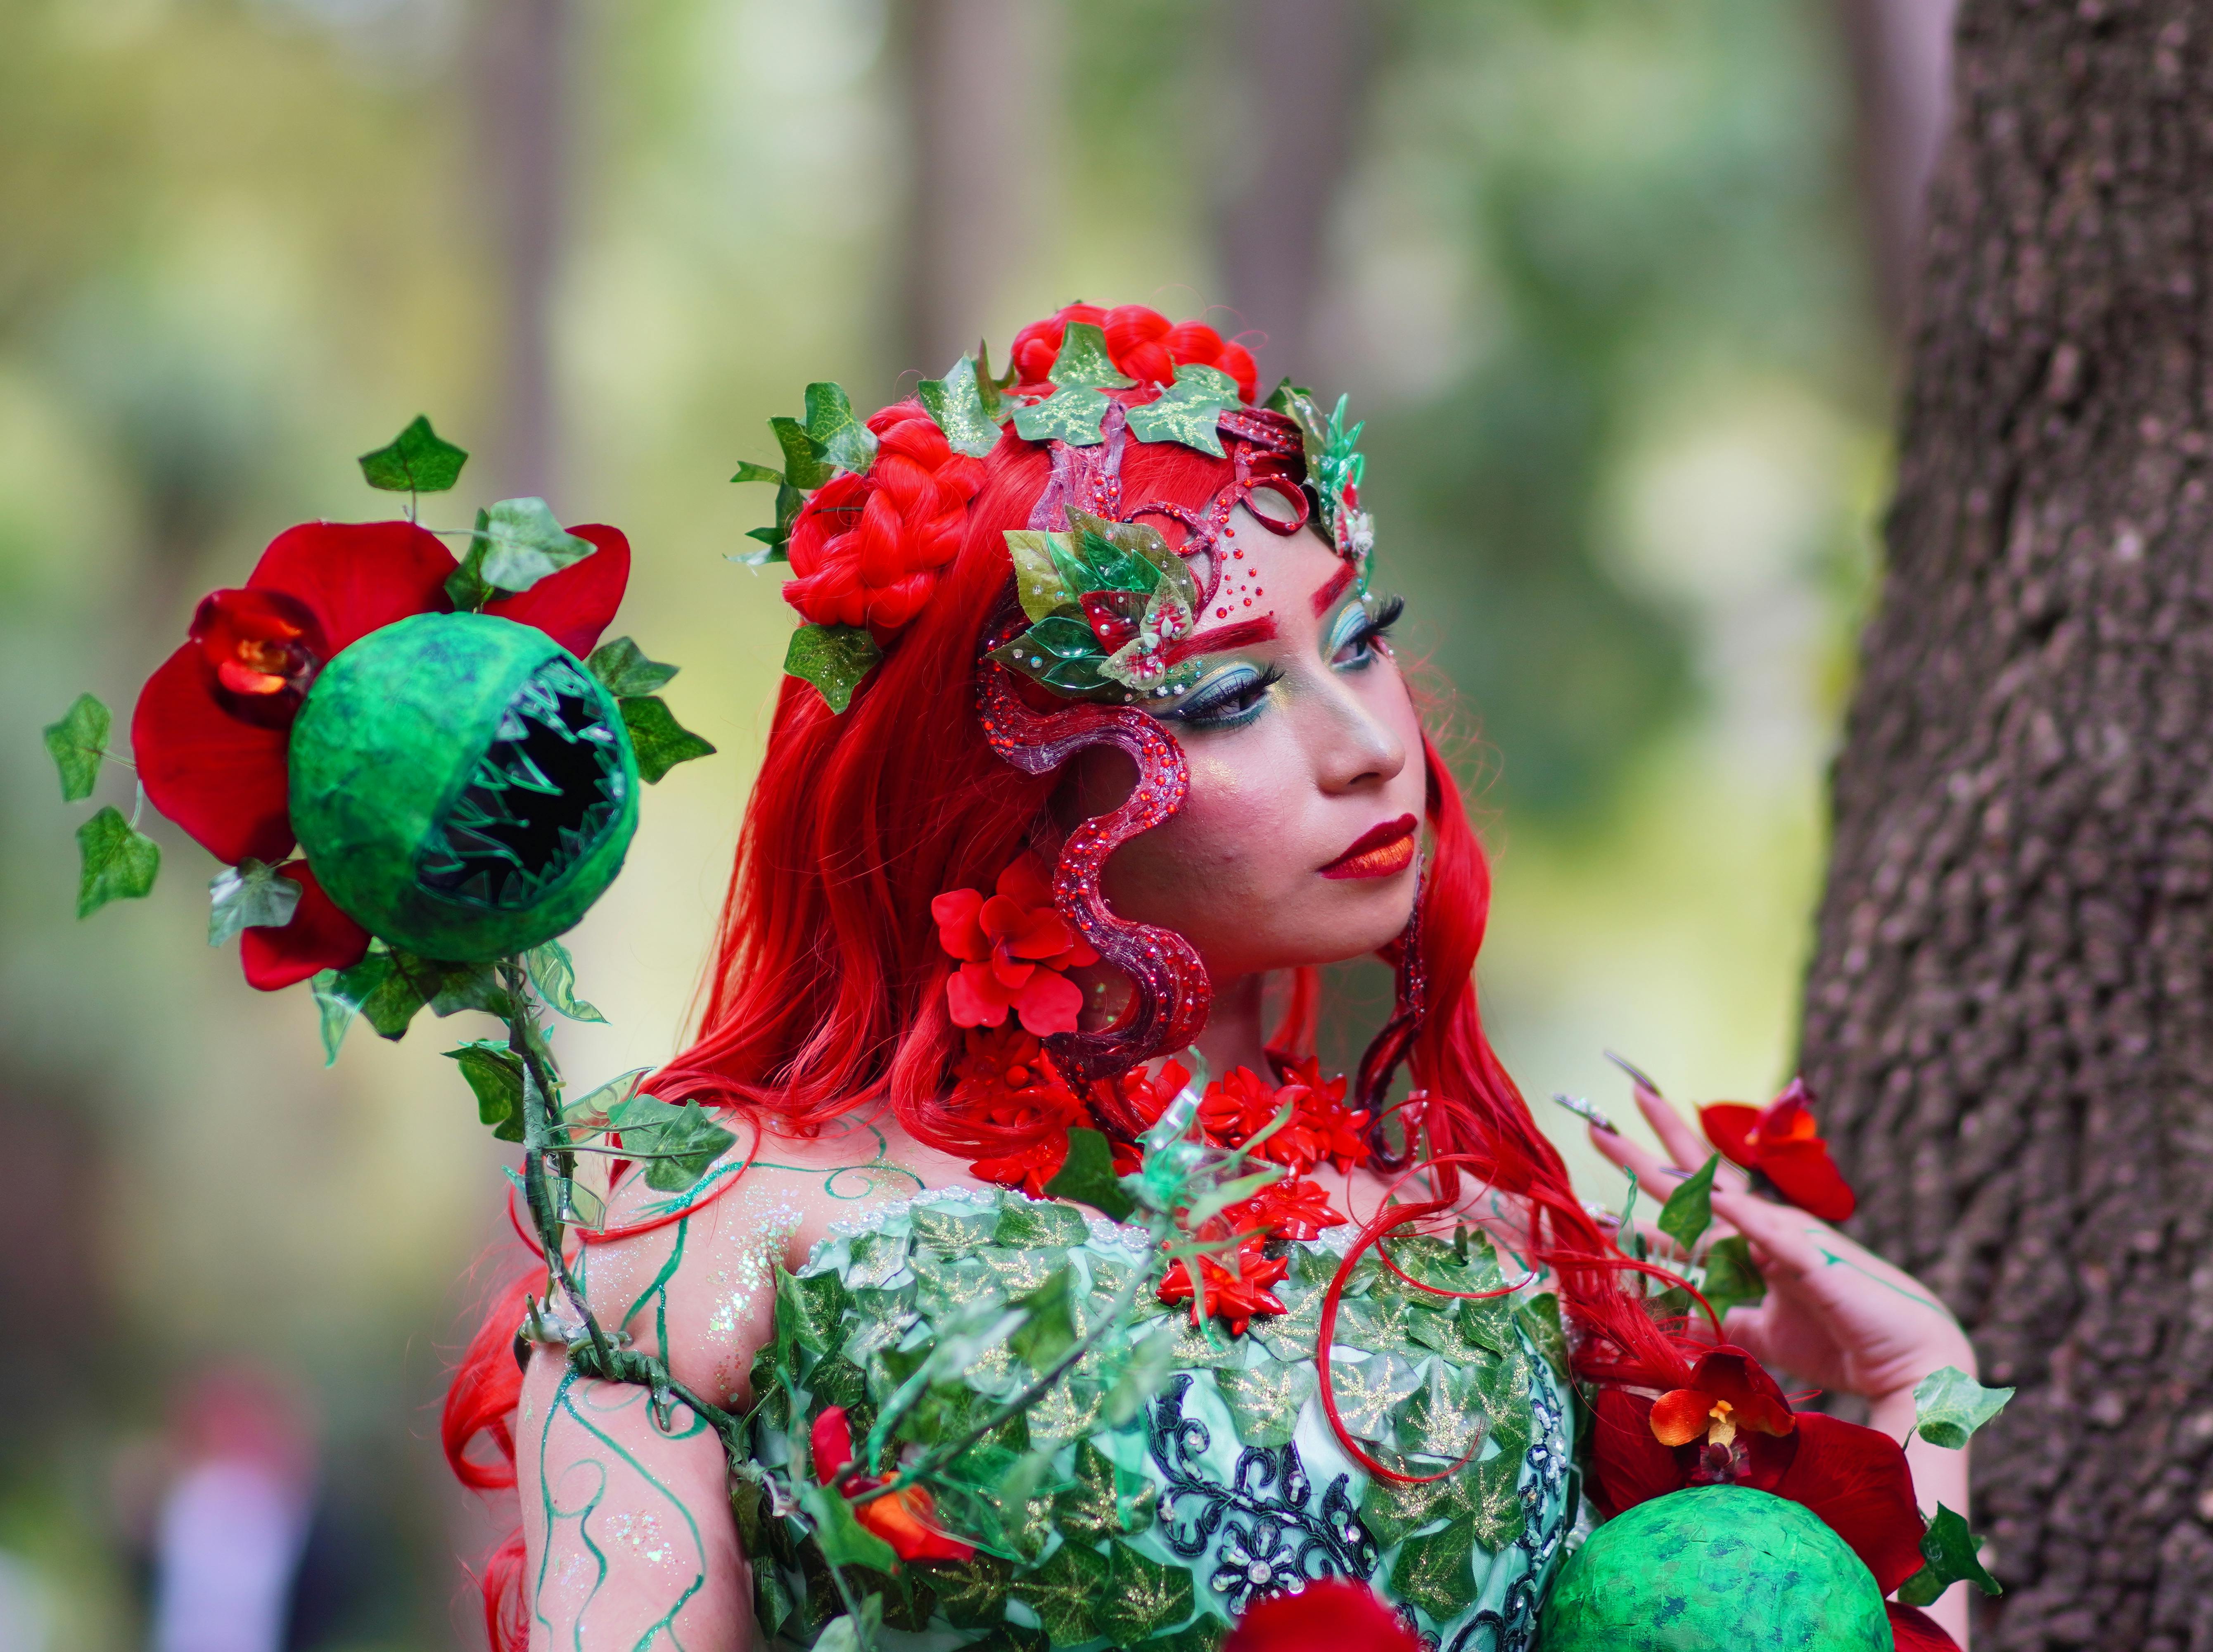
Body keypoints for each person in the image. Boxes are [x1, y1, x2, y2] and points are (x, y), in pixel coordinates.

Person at [444, 303, 1977, 1650]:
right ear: (1001, 788)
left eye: (1361, 639)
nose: (1373, 743)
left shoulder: (1506, 1259)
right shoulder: (699, 1221)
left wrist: (1925, 1400)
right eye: (1231, 693)